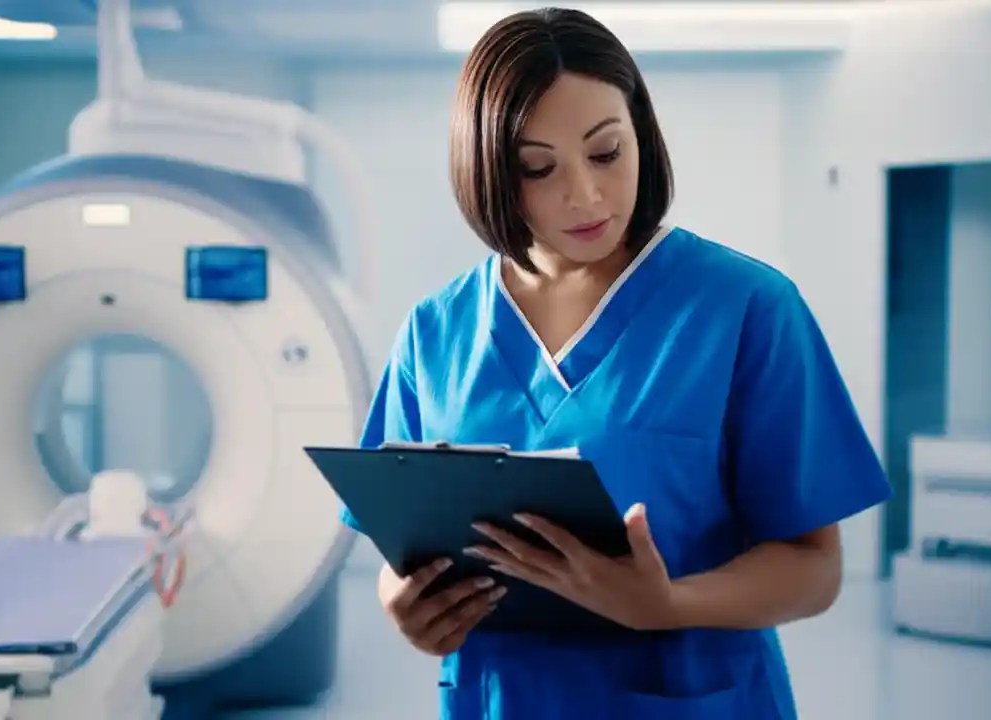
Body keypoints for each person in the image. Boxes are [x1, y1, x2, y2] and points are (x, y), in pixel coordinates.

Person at [339, 7, 892, 719]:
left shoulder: (746, 307)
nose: (585, 195)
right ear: (488, 173)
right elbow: (403, 547)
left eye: (606, 152)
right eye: (538, 168)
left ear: (642, 135)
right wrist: (404, 604)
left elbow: (816, 569)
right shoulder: (436, 332)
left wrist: (666, 604)